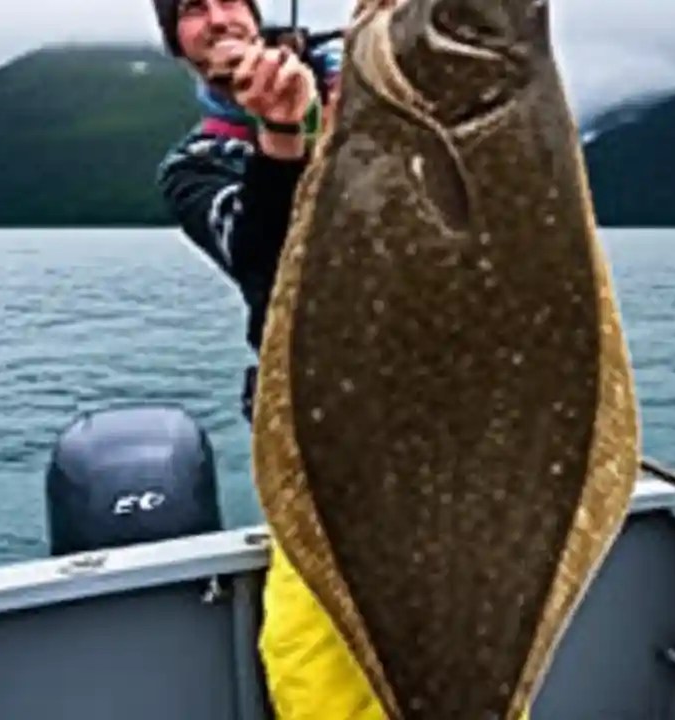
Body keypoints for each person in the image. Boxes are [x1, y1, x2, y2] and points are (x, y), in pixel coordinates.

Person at [149, 1, 386, 718]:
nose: (217, 16)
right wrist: (282, 133)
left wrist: (361, 88)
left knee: (474, 627)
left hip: (443, 409)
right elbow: (267, 264)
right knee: (312, 662)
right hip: (316, 431)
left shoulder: (366, 75)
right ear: (176, 41)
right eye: (192, 7)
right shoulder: (195, 166)